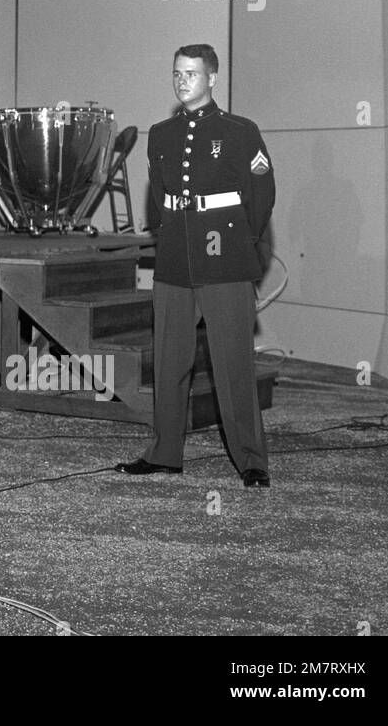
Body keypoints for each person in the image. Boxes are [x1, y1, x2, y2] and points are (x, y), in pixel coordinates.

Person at [116, 44, 275, 488]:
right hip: (175, 259)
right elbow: (161, 198)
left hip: (225, 258)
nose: (183, 81)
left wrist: (245, 247)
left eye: (192, 73)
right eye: (177, 73)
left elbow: (260, 198)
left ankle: (251, 460)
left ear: (212, 79)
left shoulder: (241, 131)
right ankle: (165, 453)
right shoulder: (161, 133)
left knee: (233, 364)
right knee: (169, 361)